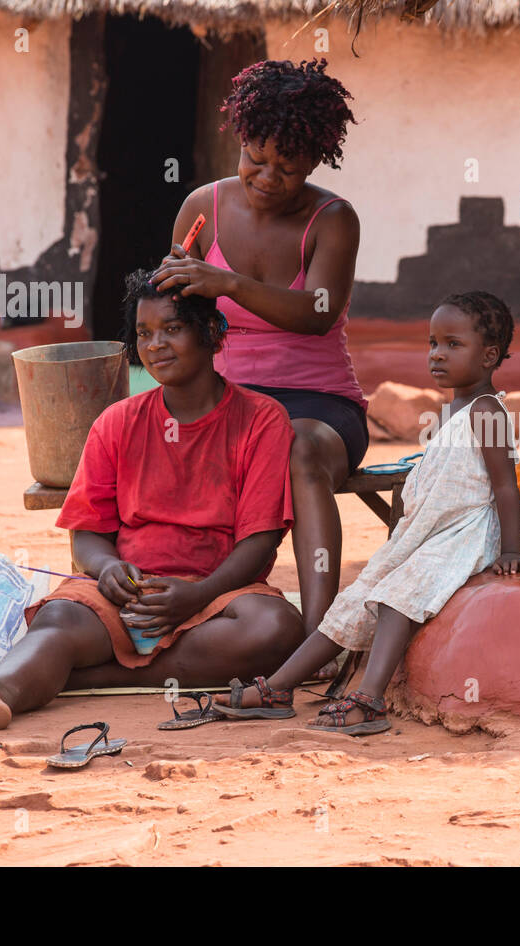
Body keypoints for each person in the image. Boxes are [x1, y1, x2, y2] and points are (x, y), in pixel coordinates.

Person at [0, 270, 304, 730]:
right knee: (60, 618)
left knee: (276, 628)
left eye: (173, 329)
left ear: (213, 334)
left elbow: (260, 543)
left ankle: (81, 678)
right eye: (144, 333)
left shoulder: (262, 420)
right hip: (127, 600)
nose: (156, 344)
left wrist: (196, 593)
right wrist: (108, 569)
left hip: (218, 596)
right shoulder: (116, 422)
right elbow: (89, 536)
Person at [213, 291, 520, 735]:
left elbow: (504, 486)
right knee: (351, 600)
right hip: (424, 533)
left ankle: (370, 699)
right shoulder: (452, 409)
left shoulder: (486, 410)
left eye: (452, 345)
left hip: (462, 535)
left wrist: (509, 551)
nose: (437, 355)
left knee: (395, 598)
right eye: (432, 343)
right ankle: (279, 687)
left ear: (489, 356)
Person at [151, 59, 367, 663]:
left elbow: (319, 312)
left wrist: (227, 283)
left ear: (315, 161)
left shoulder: (333, 220)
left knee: (297, 447)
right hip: (229, 404)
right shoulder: (202, 207)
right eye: (255, 158)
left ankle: (321, 639)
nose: (267, 177)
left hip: (318, 407)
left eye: (288, 167)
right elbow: (173, 312)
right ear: (239, 141)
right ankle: (179, 613)